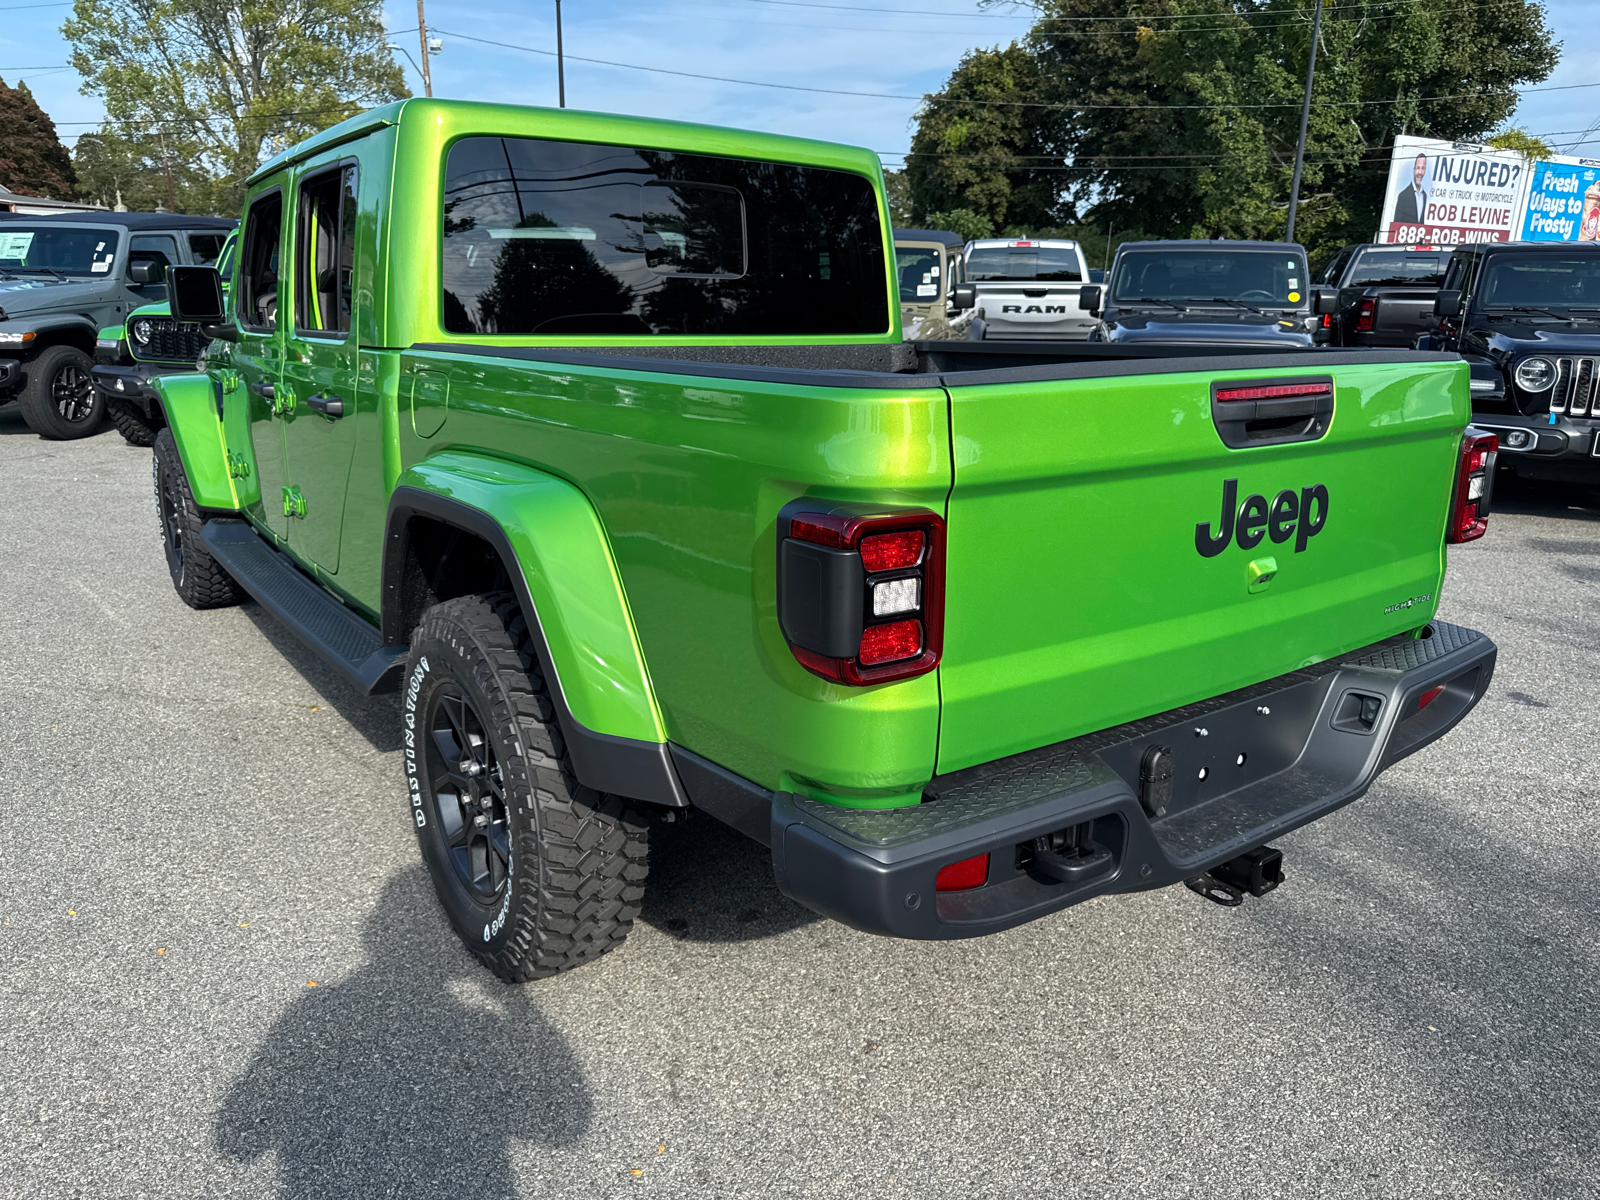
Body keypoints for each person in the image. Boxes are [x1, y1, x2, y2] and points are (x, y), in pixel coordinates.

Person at [1395, 153, 1429, 225]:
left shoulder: (1424, 195)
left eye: (1422, 168)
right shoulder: (1403, 195)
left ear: (1425, 170)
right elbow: (1397, 223)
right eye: (1418, 168)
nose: (1420, 172)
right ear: (1414, 170)